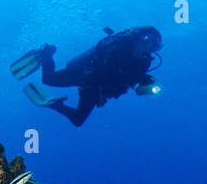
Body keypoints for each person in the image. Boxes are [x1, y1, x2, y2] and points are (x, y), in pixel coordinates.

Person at [12, 26, 162, 127]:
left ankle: (56, 105)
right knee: (48, 79)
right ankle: (46, 54)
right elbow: (108, 71)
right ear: (137, 38)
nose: (149, 47)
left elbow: (135, 85)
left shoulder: (144, 62)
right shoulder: (118, 48)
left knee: (78, 120)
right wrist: (101, 92)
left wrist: (145, 82)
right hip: (86, 76)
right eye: (148, 41)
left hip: (98, 88)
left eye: (155, 46)